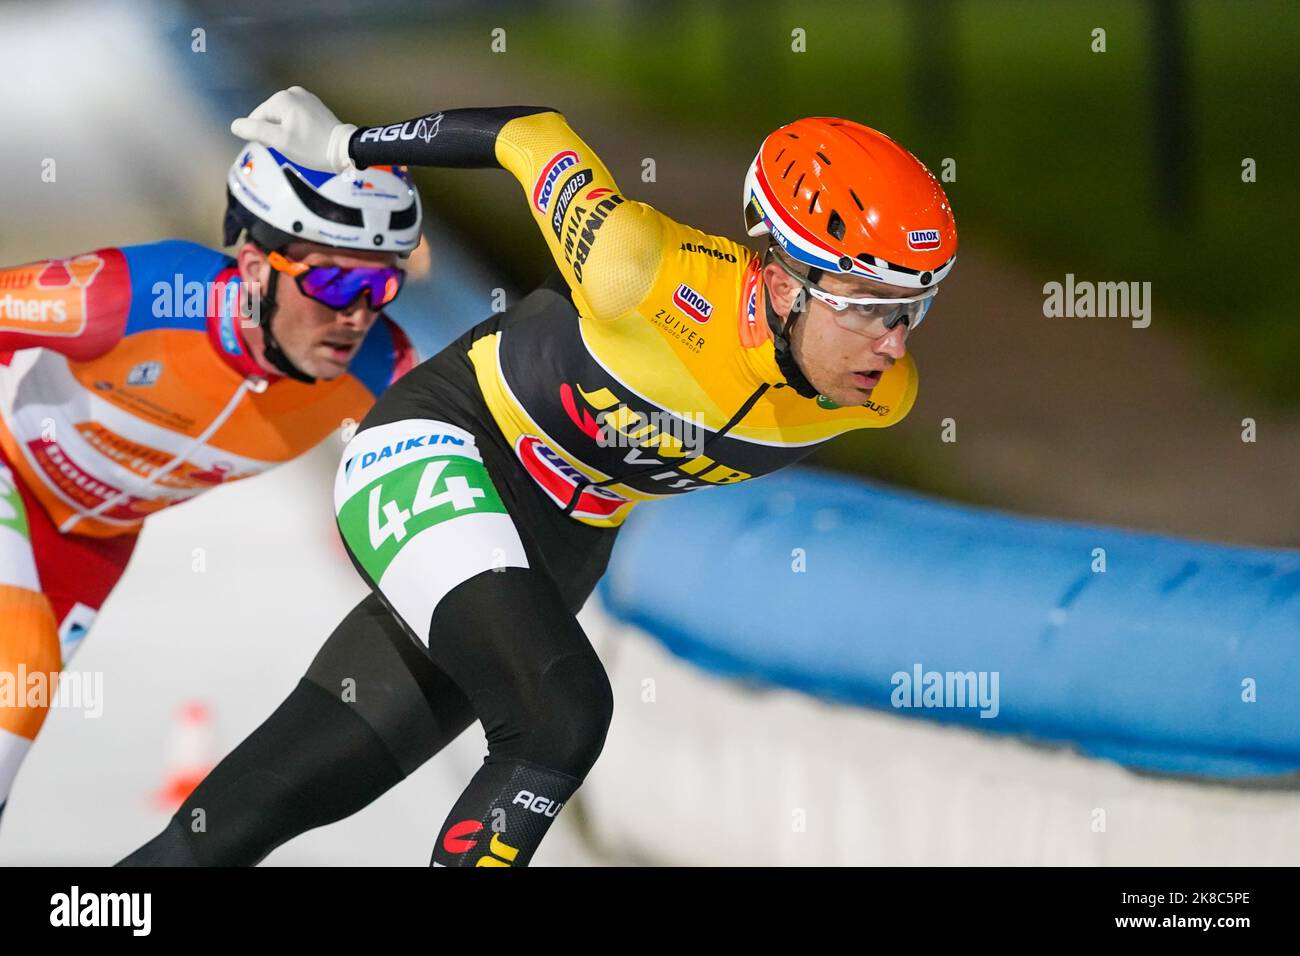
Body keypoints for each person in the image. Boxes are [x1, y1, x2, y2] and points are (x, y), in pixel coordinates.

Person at [120, 86, 957, 867]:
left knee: (255, 808)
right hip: (447, 445)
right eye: (867, 303)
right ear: (780, 281)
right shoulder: (639, 271)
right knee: (557, 722)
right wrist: (345, 142)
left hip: (555, 546)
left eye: (912, 309)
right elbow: (532, 137)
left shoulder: (878, 397)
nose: (892, 342)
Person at [0, 137, 424, 828]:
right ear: (256, 268)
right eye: (335, 283)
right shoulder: (135, 294)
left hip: (92, 544)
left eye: (381, 285)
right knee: (18, 668)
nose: (357, 313)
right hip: (9, 465)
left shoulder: (383, 368)